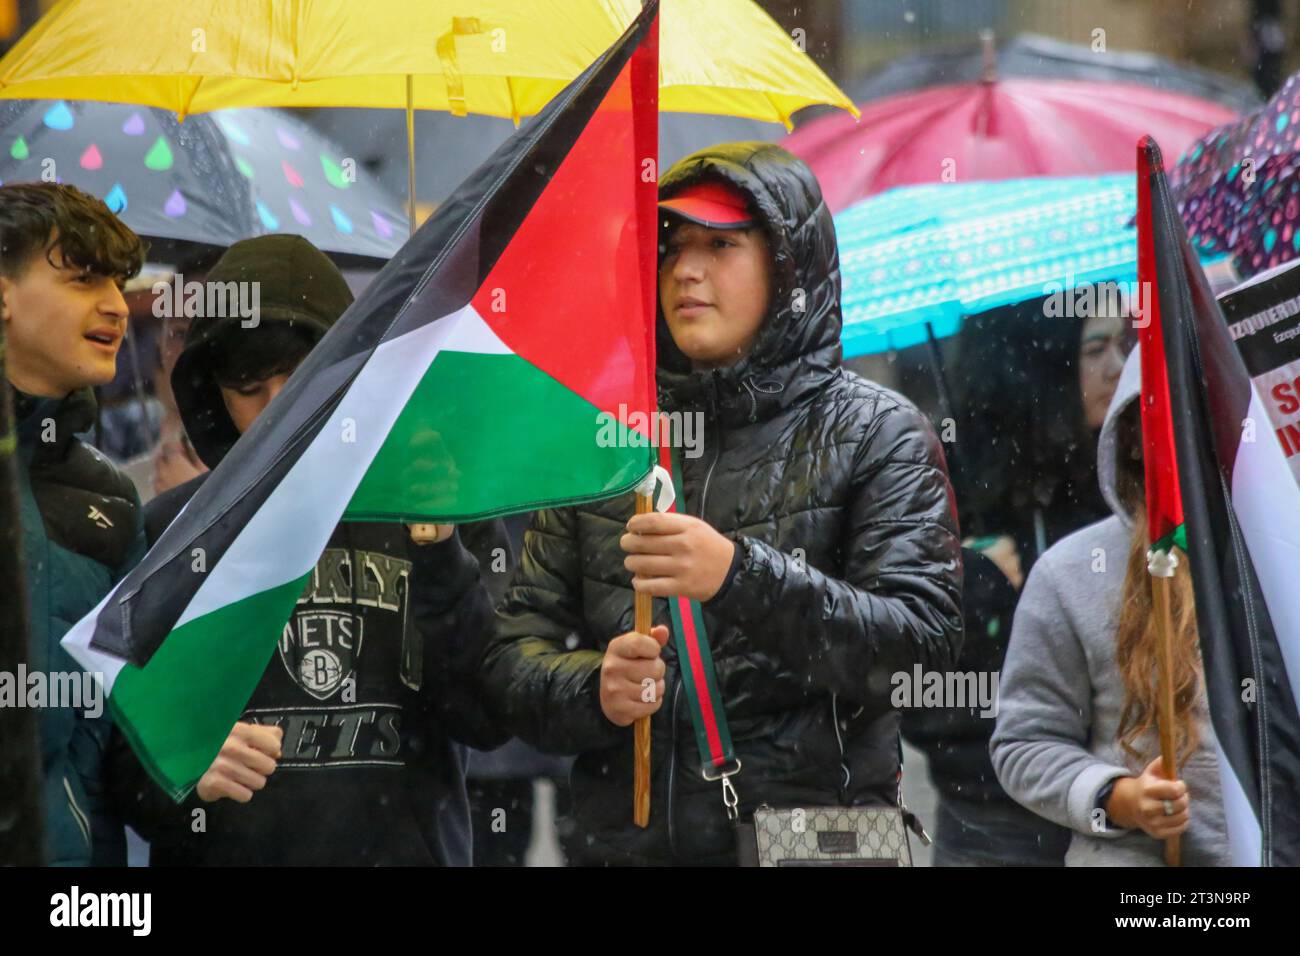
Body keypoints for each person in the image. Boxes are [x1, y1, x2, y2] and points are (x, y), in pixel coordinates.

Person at [481, 143, 963, 866]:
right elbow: (510, 658)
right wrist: (594, 690)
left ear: (787, 268)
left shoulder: (878, 433)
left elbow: (920, 653)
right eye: (671, 246)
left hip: (815, 845)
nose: (687, 269)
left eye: (721, 245)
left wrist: (739, 577)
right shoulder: (610, 441)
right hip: (629, 846)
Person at [108, 234, 508, 865]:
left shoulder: (434, 507)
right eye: (249, 387)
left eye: (298, 381)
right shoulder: (169, 535)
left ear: (349, 367)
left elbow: (486, 718)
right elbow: (112, 765)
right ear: (212, 393)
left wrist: (439, 550)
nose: (278, 410)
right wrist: (180, 767)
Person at [990, 347, 1230, 866]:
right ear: (1134, 438)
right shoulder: (1068, 574)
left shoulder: (1280, 550)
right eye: (1173, 420)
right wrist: (1119, 798)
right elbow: (1025, 745)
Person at [1, 181, 147, 865]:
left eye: (117, 282)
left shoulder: (110, 496)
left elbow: (117, 733)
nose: (116, 305)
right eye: (84, 278)